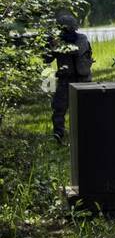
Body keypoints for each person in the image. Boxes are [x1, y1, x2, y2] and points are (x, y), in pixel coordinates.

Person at [44, 11, 93, 141]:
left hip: (66, 79)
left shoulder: (58, 41)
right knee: (85, 108)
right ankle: (86, 132)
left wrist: (50, 44)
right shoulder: (83, 38)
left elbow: (46, 59)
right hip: (84, 79)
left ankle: (59, 133)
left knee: (59, 109)